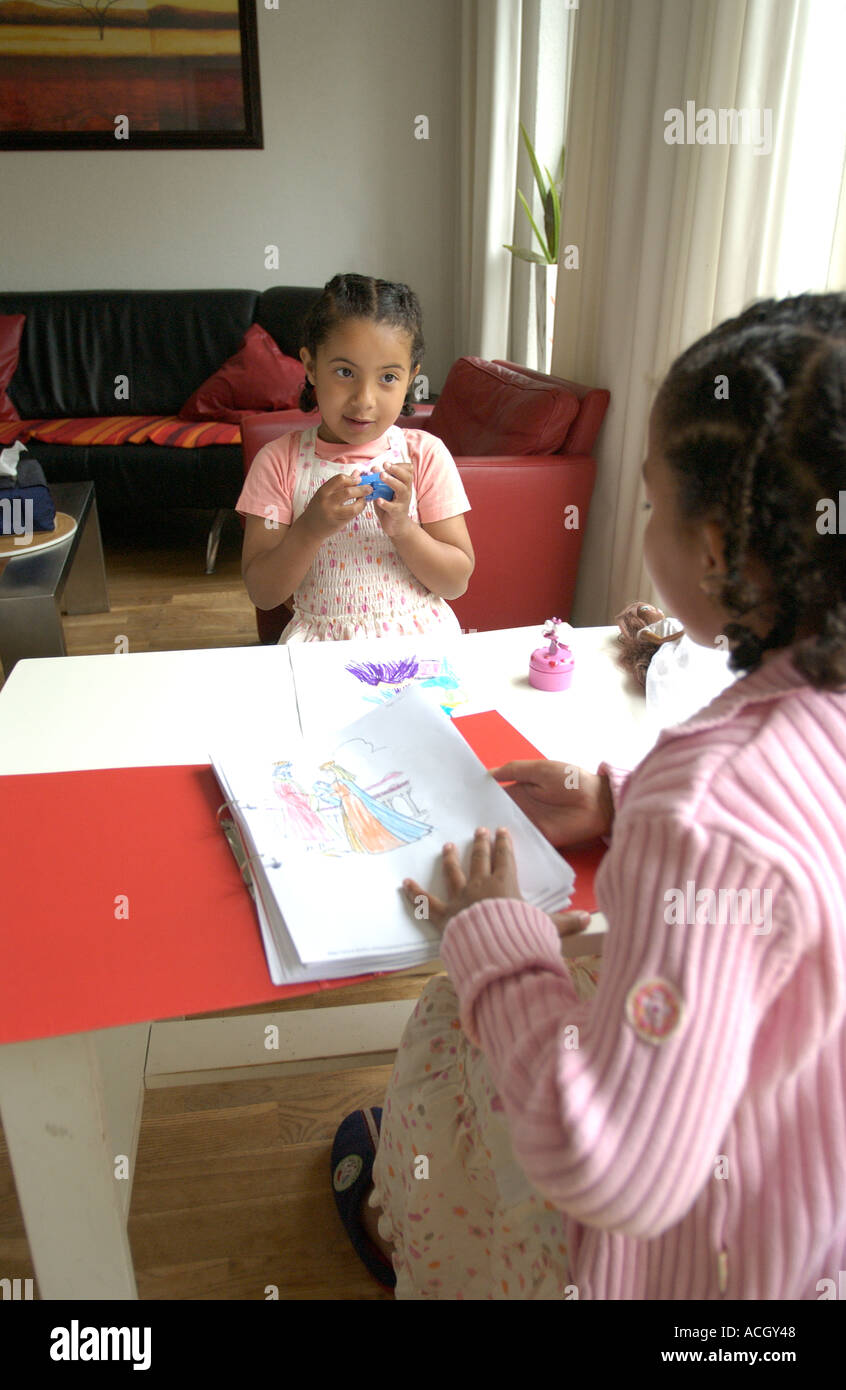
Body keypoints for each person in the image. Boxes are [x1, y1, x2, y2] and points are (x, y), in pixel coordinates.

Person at [330, 291, 846, 1299]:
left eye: (652, 502)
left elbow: (613, 1165)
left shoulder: (707, 808)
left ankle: (412, 1223)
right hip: (810, 1193)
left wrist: (494, 934)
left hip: (702, 1264)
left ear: (717, 553)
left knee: (450, 1019)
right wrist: (618, 802)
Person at [237, 273, 474, 642]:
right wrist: (310, 529)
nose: (364, 399)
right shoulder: (277, 462)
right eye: (345, 372)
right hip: (320, 649)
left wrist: (404, 529)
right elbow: (263, 593)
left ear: (411, 377)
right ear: (312, 366)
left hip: (423, 642)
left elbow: (456, 581)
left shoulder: (425, 456)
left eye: (388, 377)